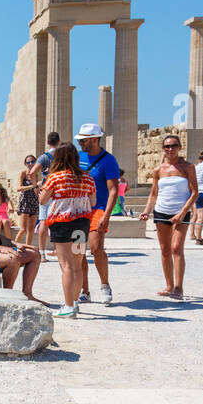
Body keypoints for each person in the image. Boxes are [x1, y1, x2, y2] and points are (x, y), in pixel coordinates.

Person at [38, 142, 96, 318]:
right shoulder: (87, 177)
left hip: (61, 224)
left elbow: (42, 200)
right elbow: (93, 202)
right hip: (82, 224)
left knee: (66, 266)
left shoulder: (55, 178)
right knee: (77, 265)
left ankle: (68, 306)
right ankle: (75, 302)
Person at [139, 134, 198, 299]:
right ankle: (169, 285)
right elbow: (154, 194)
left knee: (176, 248)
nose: (170, 149)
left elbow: (194, 193)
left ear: (180, 147)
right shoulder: (158, 170)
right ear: (163, 149)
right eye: (167, 146)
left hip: (181, 211)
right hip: (161, 211)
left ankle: (179, 287)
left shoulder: (188, 167)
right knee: (165, 250)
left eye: (173, 146)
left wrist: (182, 213)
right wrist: (147, 211)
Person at [74, 123, 119, 305]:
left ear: (94, 139)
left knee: (96, 248)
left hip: (98, 209)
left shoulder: (109, 160)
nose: (80, 143)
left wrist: (106, 216)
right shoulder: (77, 157)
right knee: (78, 251)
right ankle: (84, 291)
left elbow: (114, 190)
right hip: (77, 211)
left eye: (83, 140)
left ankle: (104, 285)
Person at [35, 131, 61, 262]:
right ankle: (58, 250)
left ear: (47, 142)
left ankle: (42, 252)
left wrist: (35, 187)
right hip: (60, 191)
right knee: (58, 220)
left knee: (43, 221)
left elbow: (32, 172)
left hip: (46, 190)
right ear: (59, 142)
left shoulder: (43, 157)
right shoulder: (63, 156)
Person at [15, 154, 40, 244]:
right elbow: (18, 188)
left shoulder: (36, 175)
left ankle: (27, 248)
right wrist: (32, 186)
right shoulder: (23, 174)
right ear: (25, 164)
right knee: (23, 229)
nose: (30, 164)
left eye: (33, 161)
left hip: (34, 202)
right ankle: (14, 247)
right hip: (25, 201)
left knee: (31, 230)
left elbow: (37, 190)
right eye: (28, 162)